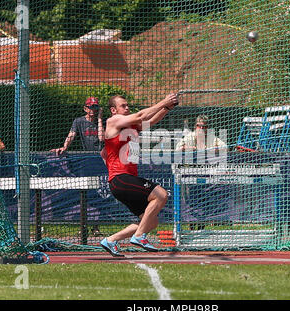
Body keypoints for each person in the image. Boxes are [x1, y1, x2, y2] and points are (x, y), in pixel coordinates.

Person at [99, 93, 178, 257]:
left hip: (121, 181)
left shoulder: (130, 126)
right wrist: (163, 101)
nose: (127, 108)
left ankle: (111, 240)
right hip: (121, 179)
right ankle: (139, 236)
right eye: (123, 106)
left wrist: (167, 107)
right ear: (113, 110)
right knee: (161, 195)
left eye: (127, 105)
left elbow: (150, 121)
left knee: (151, 221)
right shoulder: (112, 121)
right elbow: (141, 115)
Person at [50, 97, 105, 235]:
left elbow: (101, 138)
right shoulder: (79, 121)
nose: (93, 110)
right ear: (85, 108)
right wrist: (64, 147)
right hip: (84, 162)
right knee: (84, 195)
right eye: (91, 107)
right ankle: (83, 226)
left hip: (99, 162)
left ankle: (96, 227)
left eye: (95, 107)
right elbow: (71, 135)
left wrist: (99, 119)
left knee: (98, 195)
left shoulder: (102, 122)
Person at [175, 115, 227, 230]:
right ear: (195, 126)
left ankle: (202, 228)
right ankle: (192, 226)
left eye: (204, 126)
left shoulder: (212, 138)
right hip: (190, 174)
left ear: (207, 128)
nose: (201, 129)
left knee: (204, 200)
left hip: (206, 174)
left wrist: (210, 150)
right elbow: (178, 148)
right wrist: (191, 148)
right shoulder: (189, 137)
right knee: (190, 200)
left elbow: (225, 147)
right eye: (199, 126)